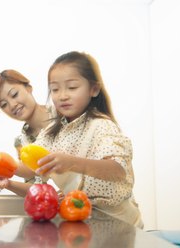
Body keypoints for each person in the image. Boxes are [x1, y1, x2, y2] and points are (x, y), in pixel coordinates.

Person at [33, 51, 143, 228]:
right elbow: (34, 162)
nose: (62, 95)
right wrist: (8, 169)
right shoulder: (53, 131)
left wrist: (72, 163)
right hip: (82, 220)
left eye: (72, 87)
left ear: (94, 89)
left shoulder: (102, 125)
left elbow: (117, 169)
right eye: (55, 89)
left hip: (119, 224)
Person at [0, 69, 51, 196]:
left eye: (14, 94)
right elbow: (36, 189)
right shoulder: (22, 142)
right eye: (3, 105)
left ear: (29, 88)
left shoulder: (64, 114)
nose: (13, 105)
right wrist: (7, 182)